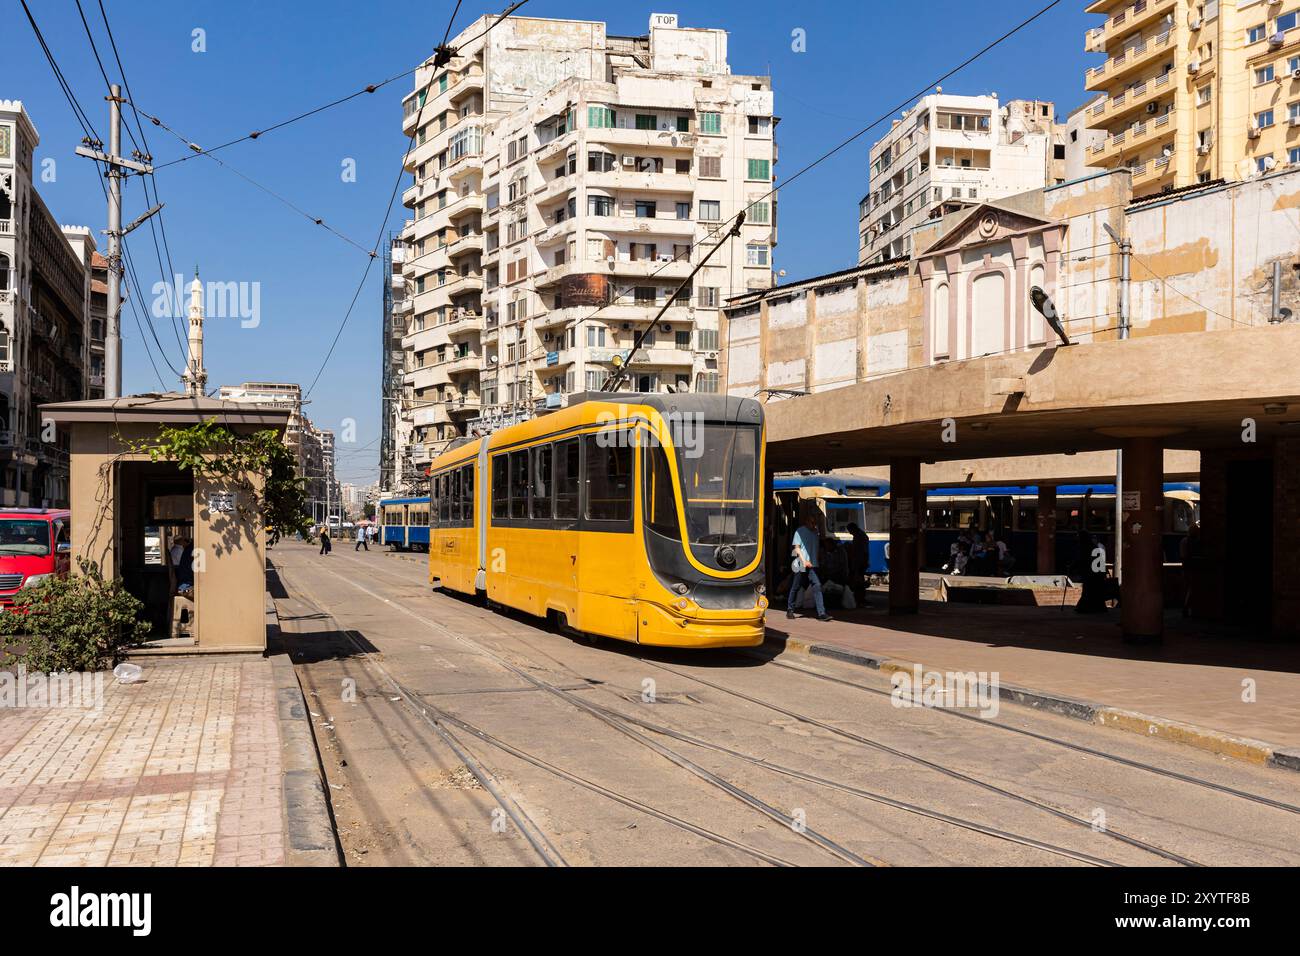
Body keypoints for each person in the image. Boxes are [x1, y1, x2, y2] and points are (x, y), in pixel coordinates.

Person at [787, 513, 831, 622]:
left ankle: (821, 613)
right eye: (812, 522)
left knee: (817, 585)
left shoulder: (816, 532)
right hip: (800, 563)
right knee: (796, 586)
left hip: (813, 565)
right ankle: (790, 610)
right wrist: (804, 561)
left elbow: (820, 543)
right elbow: (796, 548)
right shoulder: (799, 531)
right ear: (806, 521)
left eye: (815, 522)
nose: (814, 524)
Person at [846, 523, 871, 604]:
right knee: (858, 579)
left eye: (849, 530)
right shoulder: (860, 535)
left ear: (853, 529)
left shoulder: (860, 536)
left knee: (859, 580)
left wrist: (864, 561)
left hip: (859, 561)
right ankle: (859, 597)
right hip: (859, 561)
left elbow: (863, 551)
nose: (849, 532)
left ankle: (860, 598)